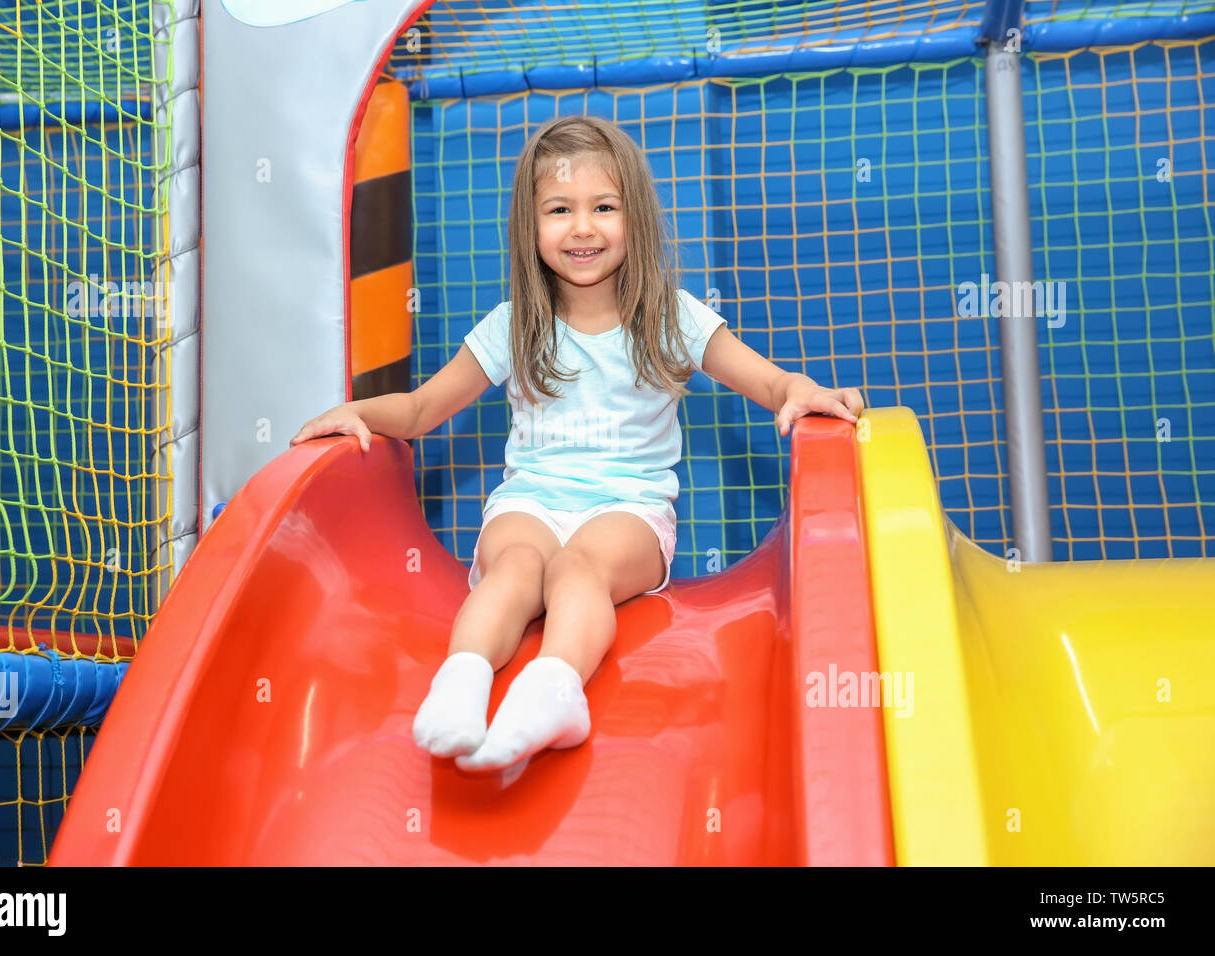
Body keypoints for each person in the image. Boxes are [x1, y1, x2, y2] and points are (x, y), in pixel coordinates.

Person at [290, 115, 864, 774]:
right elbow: (421, 410)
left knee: (577, 567)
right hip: (531, 502)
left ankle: (555, 688)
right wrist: (353, 410)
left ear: (634, 218)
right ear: (531, 228)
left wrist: (800, 390)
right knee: (514, 569)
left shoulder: (669, 316)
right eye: (560, 209)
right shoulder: (515, 324)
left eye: (603, 207)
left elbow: (765, 380)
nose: (583, 227)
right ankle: (460, 683)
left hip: (630, 511)